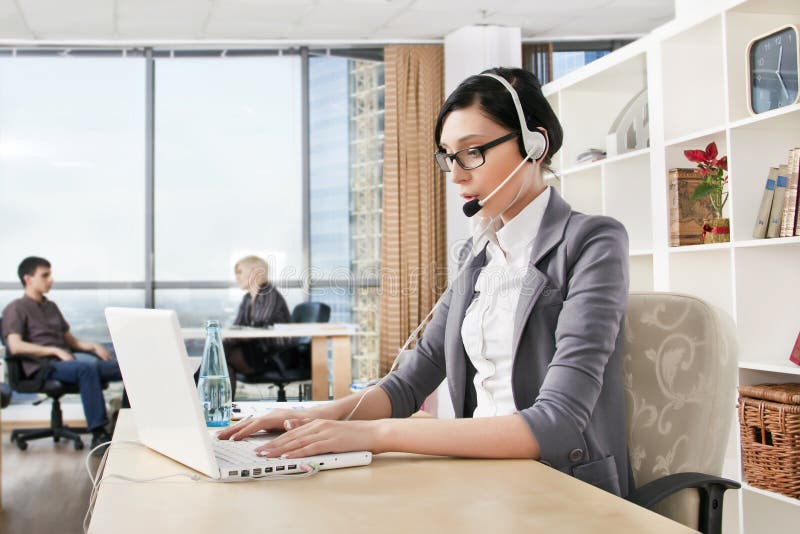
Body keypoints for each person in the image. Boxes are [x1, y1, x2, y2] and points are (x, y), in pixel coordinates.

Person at [218, 67, 631, 496]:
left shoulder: (591, 242)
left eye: (473, 152)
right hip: (483, 478)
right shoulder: (478, 254)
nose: (456, 175)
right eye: (449, 156)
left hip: (560, 484)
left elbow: (557, 422)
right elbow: (409, 382)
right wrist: (315, 416)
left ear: (534, 146)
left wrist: (377, 435)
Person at [1, 256, 123, 449]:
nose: (51, 280)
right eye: (45, 275)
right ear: (28, 279)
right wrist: (53, 350)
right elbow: (15, 346)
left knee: (125, 368)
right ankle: (99, 434)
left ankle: (126, 424)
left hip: (67, 362)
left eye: (50, 275)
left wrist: (93, 346)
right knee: (86, 368)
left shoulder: (51, 307)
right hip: (42, 367)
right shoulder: (15, 308)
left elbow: (72, 342)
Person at [224, 255, 293, 398]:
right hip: (254, 351)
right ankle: (227, 409)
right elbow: (237, 327)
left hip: (273, 355)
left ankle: (194, 387)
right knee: (223, 359)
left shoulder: (269, 293)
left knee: (222, 355)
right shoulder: (247, 299)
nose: (237, 277)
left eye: (239, 272)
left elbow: (258, 326)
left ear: (255, 273)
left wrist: (228, 340)